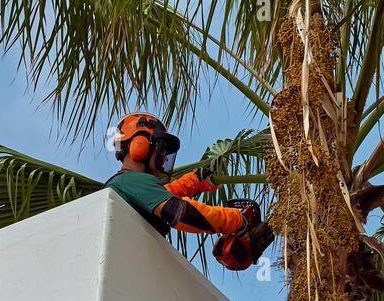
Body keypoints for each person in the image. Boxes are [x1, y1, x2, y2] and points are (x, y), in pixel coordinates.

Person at [105, 113, 272, 270]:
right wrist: (238, 220)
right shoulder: (129, 181)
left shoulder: (127, 185)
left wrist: (194, 181)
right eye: (161, 149)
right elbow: (179, 212)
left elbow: (161, 194)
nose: (163, 158)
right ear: (139, 144)